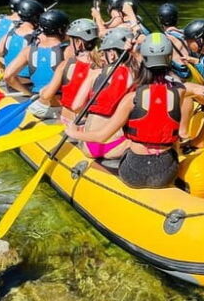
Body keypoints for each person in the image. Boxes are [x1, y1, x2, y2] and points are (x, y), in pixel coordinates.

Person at [66, 33, 185, 189]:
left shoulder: (132, 98)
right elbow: (172, 79)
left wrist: (74, 133)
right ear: (168, 58)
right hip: (166, 173)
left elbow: (101, 136)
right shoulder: (180, 92)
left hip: (134, 173)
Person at [74, 27, 138, 161]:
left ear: (112, 54)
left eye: (103, 53)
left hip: (89, 145)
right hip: (116, 144)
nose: (102, 57)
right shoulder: (136, 75)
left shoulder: (95, 73)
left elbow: (76, 106)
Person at [29, 18, 102, 120]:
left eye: (70, 41)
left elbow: (46, 96)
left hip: (68, 119)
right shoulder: (102, 66)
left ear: (78, 43)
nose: (69, 45)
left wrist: (42, 91)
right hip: (89, 121)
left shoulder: (65, 65)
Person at [4, 9, 70, 95]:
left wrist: (28, 93)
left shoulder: (28, 50)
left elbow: (7, 76)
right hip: (59, 99)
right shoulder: (68, 51)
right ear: (61, 30)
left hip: (37, 97)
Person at [0, 0, 43, 76]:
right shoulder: (39, 38)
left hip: (9, 78)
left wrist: (5, 70)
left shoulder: (9, 35)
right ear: (36, 18)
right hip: (28, 80)